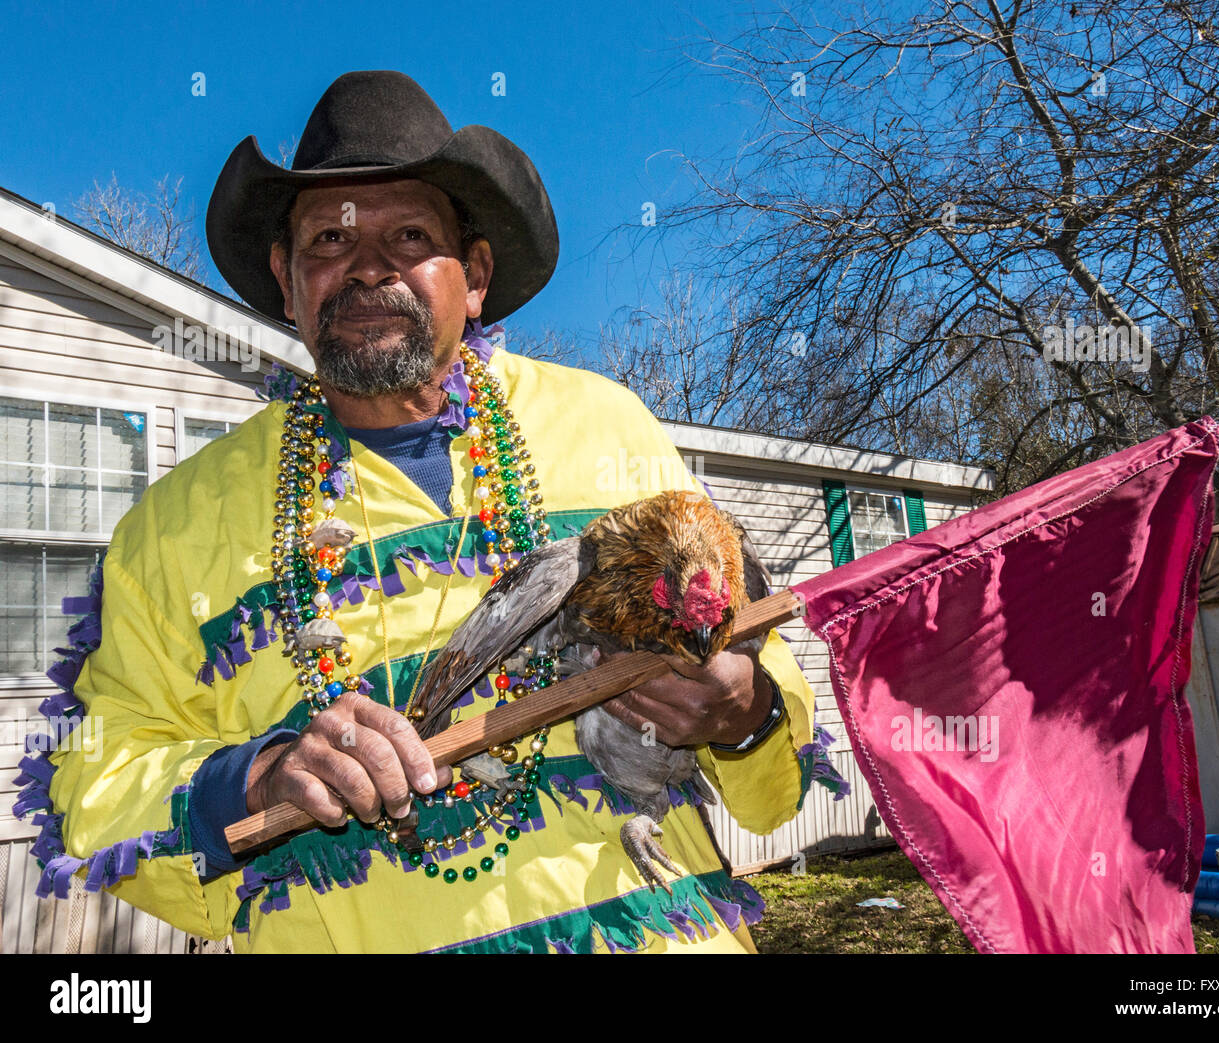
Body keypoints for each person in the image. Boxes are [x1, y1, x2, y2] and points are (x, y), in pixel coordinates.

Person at [14, 71, 844, 953]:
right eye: (329, 239)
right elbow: (91, 785)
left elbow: (772, 736)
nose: (369, 264)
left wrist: (743, 708)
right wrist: (255, 779)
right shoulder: (176, 522)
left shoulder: (609, 428)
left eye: (409, 234)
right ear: (286, 280)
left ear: (475, 275)